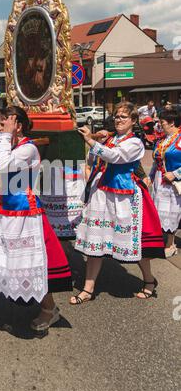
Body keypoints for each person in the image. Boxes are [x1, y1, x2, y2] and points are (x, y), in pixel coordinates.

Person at [0, 106, 72, 345]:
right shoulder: (3, 148)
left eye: (3, 124)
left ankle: (49, 310)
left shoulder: (28, 148)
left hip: (21, 216)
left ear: (17, 125)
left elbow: (5, 167)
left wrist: (2, 143)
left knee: (25, 268)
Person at [71, 101, 165, 305]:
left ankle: (149, 280)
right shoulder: (112, 138)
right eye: (117, 116)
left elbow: (115, 157)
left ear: (133, 121)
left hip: (124, 197)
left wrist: (92, 141)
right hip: (103, 194)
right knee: (94, 242)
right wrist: (100, 141)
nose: (119, 119)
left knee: (134, 242)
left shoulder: (135, 143)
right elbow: (98, 157)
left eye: (124, 117)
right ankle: (88, 288)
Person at [148, 108, 181, 258]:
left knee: (171, 212)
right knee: (159, 211)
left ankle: (171, 244)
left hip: (173, 183)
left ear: (172, 122)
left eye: (162, 122)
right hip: (159, 180)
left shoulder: (179, 139)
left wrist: (175, 174)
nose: (160, 125)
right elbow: (156, 161)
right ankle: (161, 241)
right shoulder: (161, 141)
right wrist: (149, 177)